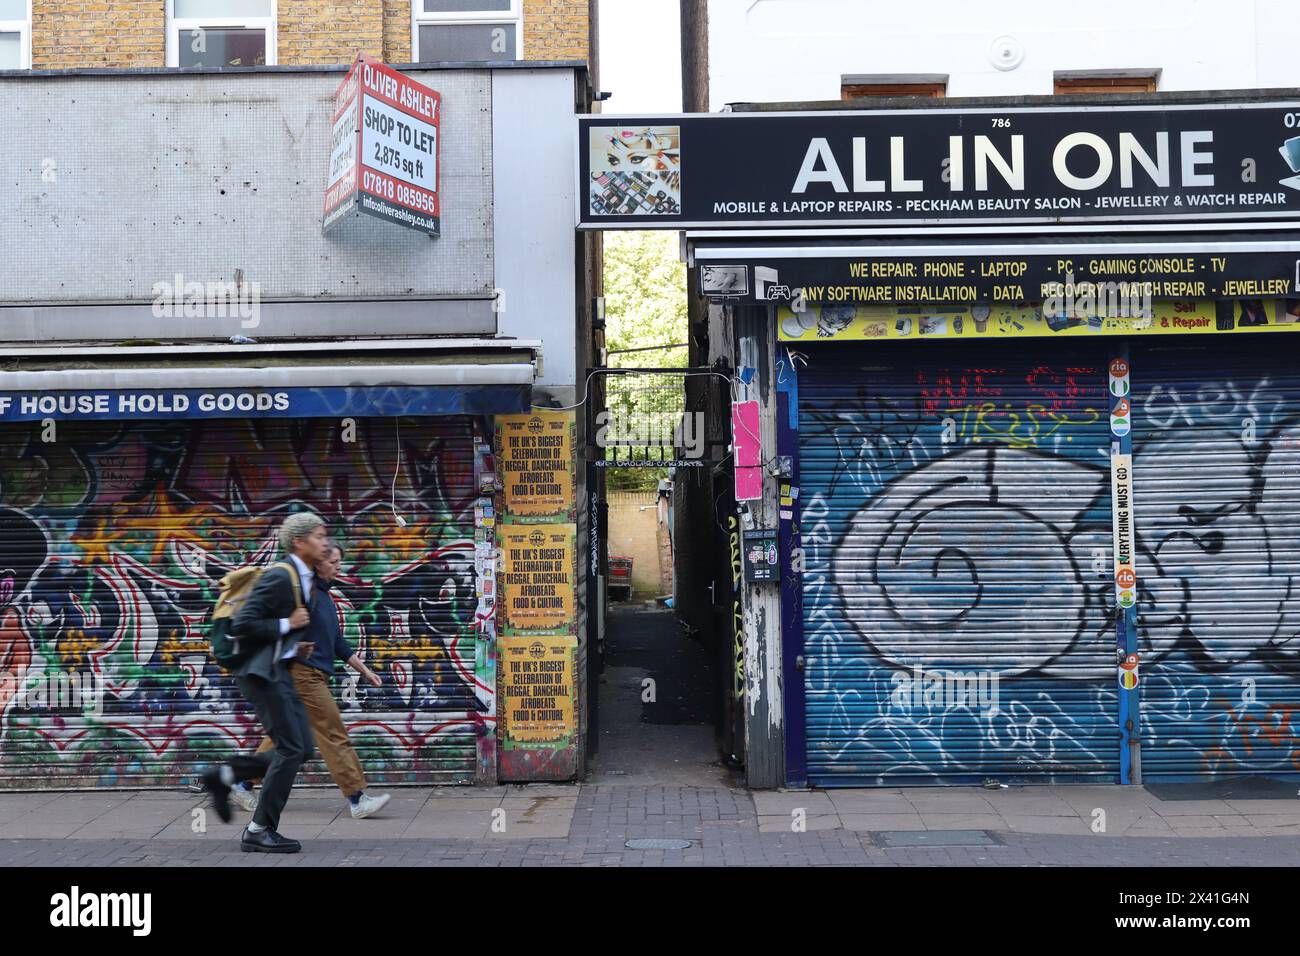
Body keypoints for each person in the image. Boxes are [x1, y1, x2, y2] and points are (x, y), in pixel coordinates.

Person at [230, 541, 391, 819]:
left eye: (340, 563)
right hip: (304, 675)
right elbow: (273, 625)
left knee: (284, 739)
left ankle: (242, 782)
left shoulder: (325, 599)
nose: (338, 568)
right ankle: (357, 798)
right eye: (333, 562)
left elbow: (337, 642)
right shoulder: (305, 596)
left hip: (312, 675)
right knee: (333, 732)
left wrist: (364, 670)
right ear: (317, 563)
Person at [201, 511, 329, 854]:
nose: (325, 542)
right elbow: (242, 623)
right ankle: (259, 829)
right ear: (299, 542)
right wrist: (287, 625)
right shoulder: (280, 576)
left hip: (277, 672)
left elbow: (269, 628)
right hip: (260, 676)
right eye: (319, 536)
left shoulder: (302, 577)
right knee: (291, 749)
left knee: (301, 748)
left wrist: (291, 644)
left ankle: (225, 774)